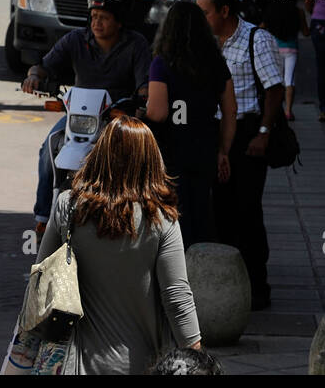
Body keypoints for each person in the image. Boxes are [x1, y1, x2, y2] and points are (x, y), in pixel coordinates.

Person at [35, 117, 202, 374]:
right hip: (142, 363)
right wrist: (196, 354)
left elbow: (40, 278)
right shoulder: (162, 219)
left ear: (99, 155)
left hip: (74, 364)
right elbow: (176, 296)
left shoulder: (68, 206)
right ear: (151, 162)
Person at [21, 0, 151, 233]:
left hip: (116, 118)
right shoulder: (75, 40)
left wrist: (142, 98)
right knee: (48, 150)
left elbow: (144, 86)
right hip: (78, 117)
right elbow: (44, 66)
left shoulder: (137, 45)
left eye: (103, 18)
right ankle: (43, 217)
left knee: (138, 159)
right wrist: (34, 76)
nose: (96, 22)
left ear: (119, 20)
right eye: (93, 17)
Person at [197, 0, 284, 310]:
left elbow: (275, 89)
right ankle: (223, 285)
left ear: (224, 12)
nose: (201, 18)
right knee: (219, 210)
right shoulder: (207, 43)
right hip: (217, 132)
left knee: (247, 210)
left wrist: (263, 132)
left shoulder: (255, 39)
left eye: (205, 12)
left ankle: (257, 287)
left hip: (247, 132)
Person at [146, 1, 236, 248]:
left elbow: (158, 112)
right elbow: (230, 111)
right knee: (202, 211)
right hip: (205, 147)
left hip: (172, 151)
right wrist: (224, 151)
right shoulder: (217, 64)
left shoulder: (162, 64)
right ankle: (203, 267)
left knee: (174, 215)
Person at [261, 0, 308, 122]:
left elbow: (261, 28)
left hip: (275, 50)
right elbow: (306, 32)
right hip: (291, 50)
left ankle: (274, 110)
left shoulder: (271, 10)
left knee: (275, 80)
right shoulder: (298, 12)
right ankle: (288, 111)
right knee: (289, 80)